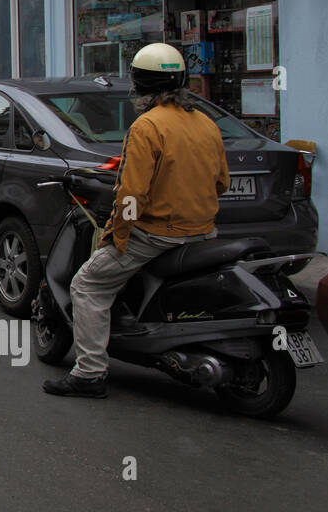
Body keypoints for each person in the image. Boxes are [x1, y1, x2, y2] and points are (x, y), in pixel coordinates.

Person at [43, 43, 230, 399]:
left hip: (156, 234)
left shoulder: (147, 127)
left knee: (87, 285)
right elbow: (222, 182)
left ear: (139, 85)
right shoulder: (205, 122)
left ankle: (89, 373)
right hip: (204, 231)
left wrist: (116, 235)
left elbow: (131, 196)